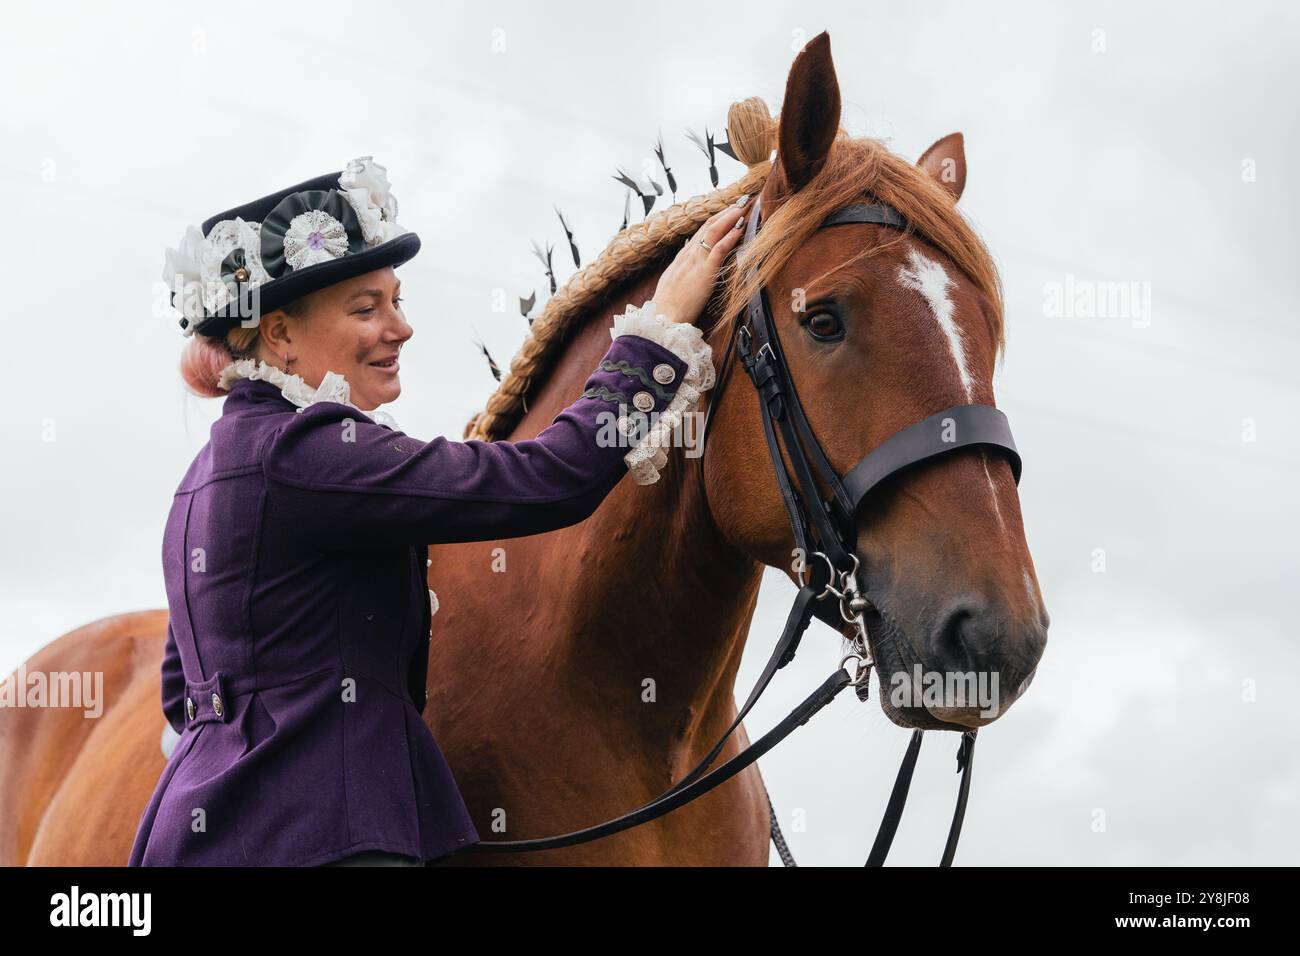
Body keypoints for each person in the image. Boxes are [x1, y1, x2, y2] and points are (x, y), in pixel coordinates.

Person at [128, 156, 751, 866]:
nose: (400, 328)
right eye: (367, 308)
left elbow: (185, 695)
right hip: (333, 836)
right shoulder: (308, 448)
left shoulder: (200, 479)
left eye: (397, 301)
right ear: (278, 335)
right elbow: (551, 477)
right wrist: (655, 335)